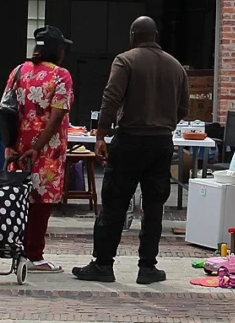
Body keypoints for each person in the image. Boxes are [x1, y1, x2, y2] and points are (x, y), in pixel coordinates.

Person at [73, 16, 189, 285]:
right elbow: (183, 109)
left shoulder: (125, 60)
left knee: (114, 203)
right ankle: (147, 267)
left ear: (133, 35)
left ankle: (103, 264)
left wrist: (100, 135)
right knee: (154, 206)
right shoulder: (176, 67)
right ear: (156, 35)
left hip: (129, 140)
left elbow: (111, 98)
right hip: (161, 143)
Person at [3, 25, 74, 272]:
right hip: (47, 149)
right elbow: (56, 116)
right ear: (57, 51)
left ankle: (17, 248)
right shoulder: (61, 75)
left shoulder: (18, 71)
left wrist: (9, 145)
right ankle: (35, 255)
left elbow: (5, 109)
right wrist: (38, 146)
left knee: (19, 199)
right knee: (41, 201)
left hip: (18, 147)